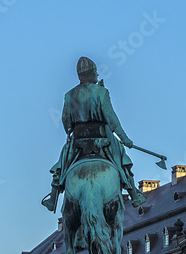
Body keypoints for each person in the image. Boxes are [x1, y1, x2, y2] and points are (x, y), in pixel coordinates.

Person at [43, 56, 147, 212]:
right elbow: (112, 120)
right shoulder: (101, 92)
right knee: (122, 158)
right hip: (102, 137)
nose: (97, 76)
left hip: (78, 139)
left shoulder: (69, 95)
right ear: (91, 73)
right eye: (96, 72)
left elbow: (65, 120)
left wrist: (71, 131)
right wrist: (125, 139)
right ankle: (134, 194)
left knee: (62, 163)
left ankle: (53, 198)